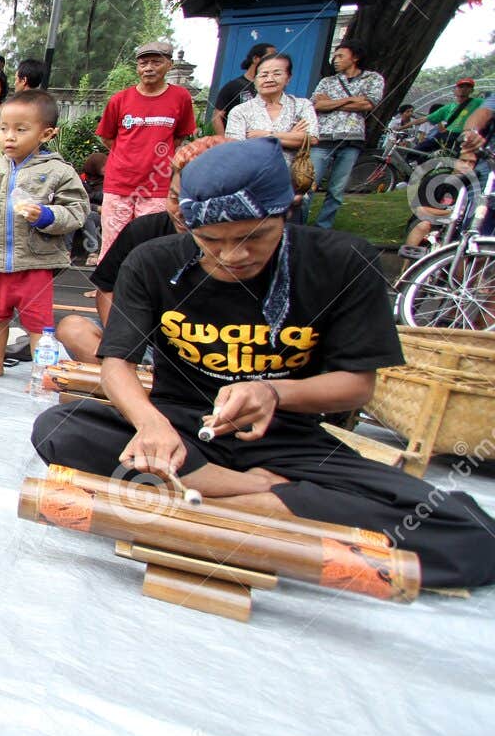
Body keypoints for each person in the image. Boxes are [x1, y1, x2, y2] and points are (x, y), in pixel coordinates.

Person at [30, 137, 495, 590]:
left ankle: (245, 503)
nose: (234, 256)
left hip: (289, 441)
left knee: (473, 535)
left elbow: (357, 386)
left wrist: (274, 392)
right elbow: (117, 365)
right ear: (186, 222)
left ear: (285, 211)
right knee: (61, 428)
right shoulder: (153, 262)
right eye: (211, 240)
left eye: (254, 237)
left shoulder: (342, 261)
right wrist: (149, 422)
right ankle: (258, 493)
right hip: (181, 430)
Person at [0, 90, 89, 380]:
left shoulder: (58, 171)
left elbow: (77, 210)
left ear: (46, 133)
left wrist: (46, 215)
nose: (9, 137)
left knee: (38, 323)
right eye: (3, 129)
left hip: (35, 263)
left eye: (20, 129)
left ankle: (42, 372)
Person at [56, 163, 185, 363]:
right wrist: (121, 347)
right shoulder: (144, 230)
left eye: (196, 201)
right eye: (175, 198)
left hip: (198, 356)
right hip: (139, 344)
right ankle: (129, 378)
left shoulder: (235, 243)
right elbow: (107, 289)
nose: (182, 211)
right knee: (72, 328)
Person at [93, 41, 196, 257]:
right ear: (137, 67)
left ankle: (140, 288)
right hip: (119, 183)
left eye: (156, 62)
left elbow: (179, 136)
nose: (148, 68)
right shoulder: (120, 99)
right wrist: (128, 155)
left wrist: (155, 156)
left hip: (157, 185)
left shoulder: (181, 97)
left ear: (169, 65)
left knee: (148, 242)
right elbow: (107, 137)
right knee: (112, 239)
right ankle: (106, 288)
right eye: (143, 63)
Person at [307, 42, 385, 228]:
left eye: (341, 56)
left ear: (355, 57)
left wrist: (332, 102)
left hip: (352, 139)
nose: (336, 60)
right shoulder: (328, 81)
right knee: (308, 184)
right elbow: (316, 105)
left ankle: (323, 227)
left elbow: (368, 104)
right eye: (335, 56)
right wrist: (351, 99)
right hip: (323, 137)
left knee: (337, 189)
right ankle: (299, 224)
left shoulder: (373, 79)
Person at [224, 53, 317, 168]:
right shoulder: (240, 111)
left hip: (291, 179)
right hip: (251, 178)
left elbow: (311, 139)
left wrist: (266, 135)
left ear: (288, 78)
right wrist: (291, 136)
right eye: (263, 75)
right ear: (255, 79)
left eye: (277, 74)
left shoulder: (302, 105)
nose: (269, 79)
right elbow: (236, 149)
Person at [212, 43, 276, 135]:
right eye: (270, 57)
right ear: (255, 59)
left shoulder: (271, 89)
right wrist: (224, 141)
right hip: (236, 142)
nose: (274, 61)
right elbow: (217, 117)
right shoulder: (233, 86)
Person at [426, 78, 480, 149]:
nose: (464, 89)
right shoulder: (449, 107)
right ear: (455, 90)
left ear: (472, 90)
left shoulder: (477, 102)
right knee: (425, 146)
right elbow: (428, 118)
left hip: (462, 136)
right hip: (448, 134)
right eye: (461, 87)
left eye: (467, 87)